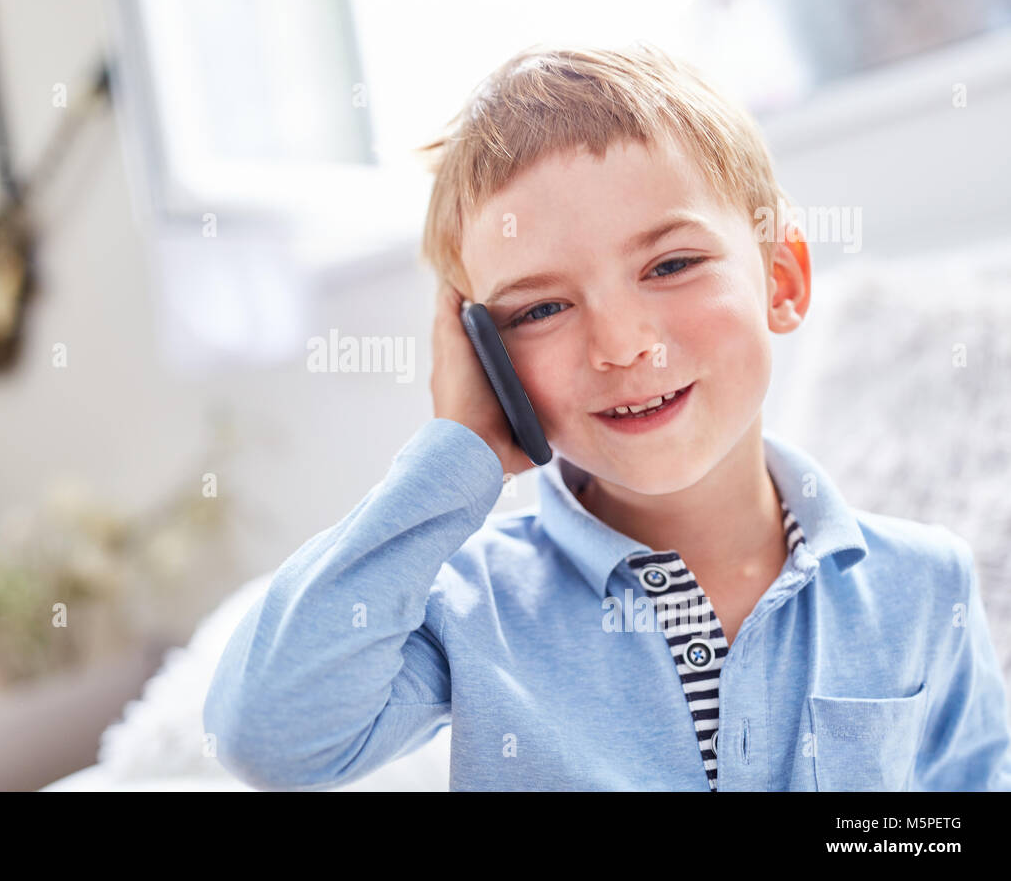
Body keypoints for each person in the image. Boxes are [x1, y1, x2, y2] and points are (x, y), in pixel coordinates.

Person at [203, 43, 1011, 791]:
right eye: (541, 308)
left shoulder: (919, 583)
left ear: (782, 279)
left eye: (671, 264)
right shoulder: (471, 602)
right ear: (484, 358)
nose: (622, 346)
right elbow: (271, 736)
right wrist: (459, 449)